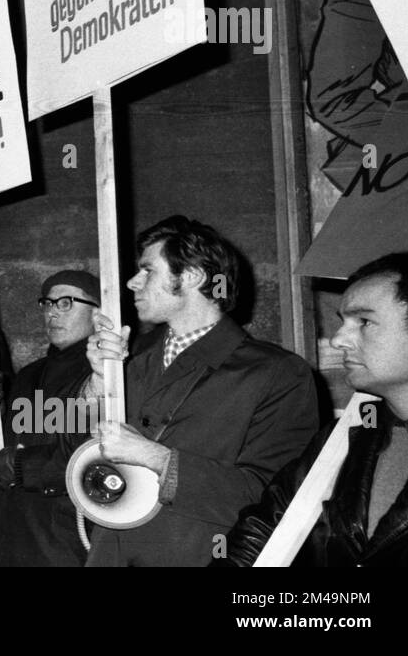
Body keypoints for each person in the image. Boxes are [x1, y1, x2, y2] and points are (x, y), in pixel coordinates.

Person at [82, 215, 319, 566]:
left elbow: (275, 497)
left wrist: (157, 458)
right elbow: (74, 451)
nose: (133, 283)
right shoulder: (129, 357)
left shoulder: (277, 373)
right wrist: (99, 383)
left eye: (148, 271)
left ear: (192, 276)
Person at [219, 252, 408, 566]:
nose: (339, 339)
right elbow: (263, 529)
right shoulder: (347, 435)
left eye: (364, 321)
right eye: (343, 322)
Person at [0, 270, 101, 566]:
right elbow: (0, 455)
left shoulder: (106, 376)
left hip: (61, 539)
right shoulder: (29, 375)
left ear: (98, 313)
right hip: (7, 531)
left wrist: (20, 466)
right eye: (48, 303)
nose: (53, 312)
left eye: (66, 303)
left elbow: (95, 458)